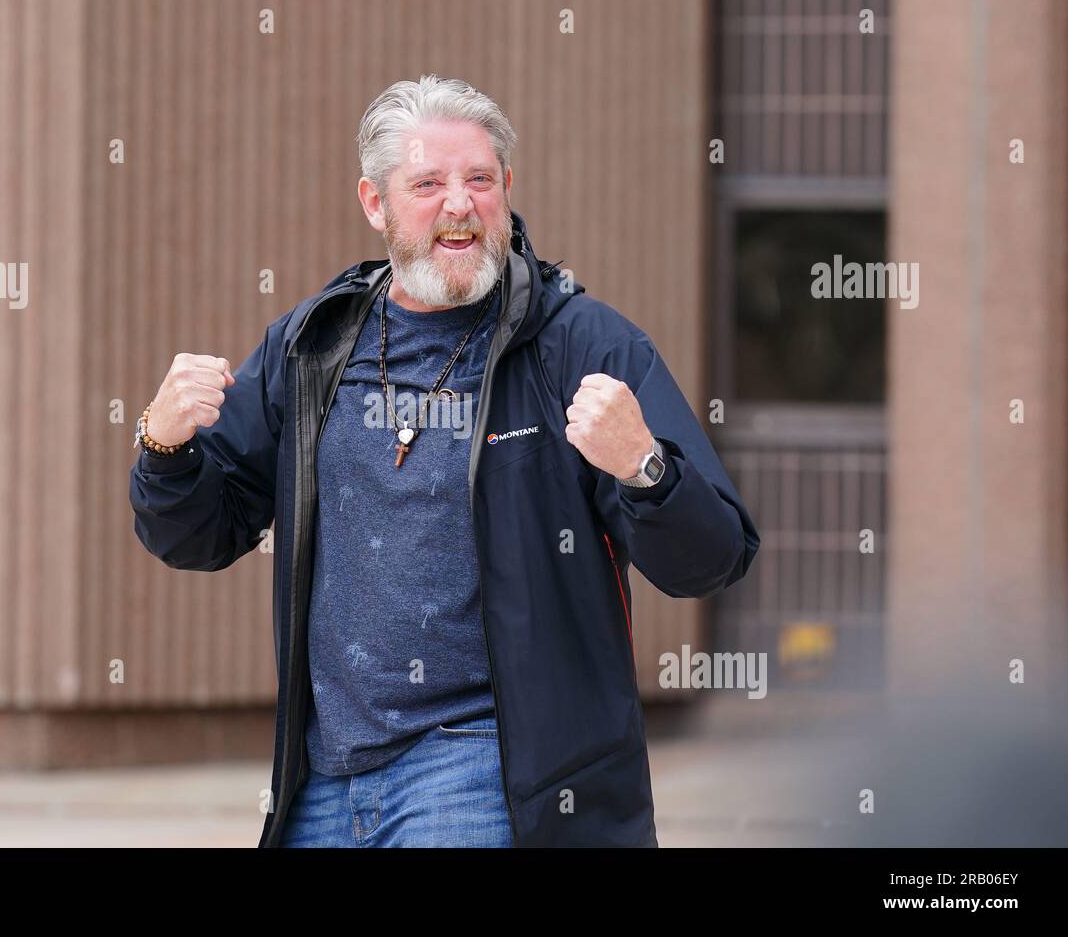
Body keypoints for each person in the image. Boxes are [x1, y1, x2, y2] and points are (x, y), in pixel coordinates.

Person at [129, 74, 759, 847]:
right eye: (427, 183)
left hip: (483, 772)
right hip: (322, 783)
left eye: (479, 180)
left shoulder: (582, 344)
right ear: (375, 204)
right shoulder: (312, 345)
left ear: (507, 190)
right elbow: (199, 536)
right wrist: (163, 446)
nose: (459, 204)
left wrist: (645, 469)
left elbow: (712, 559)